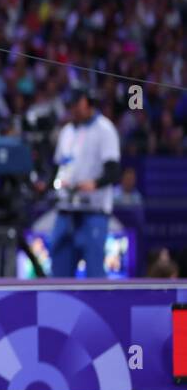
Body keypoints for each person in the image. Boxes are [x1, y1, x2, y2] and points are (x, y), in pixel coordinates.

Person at [49, 88, 120, 278]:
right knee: (59, 271)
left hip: (93, 211)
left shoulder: (105, 129)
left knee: (94, 272)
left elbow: (114, 171)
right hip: (66, 209)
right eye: (71, 105)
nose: (73, 109)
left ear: (89, 102)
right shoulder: (66, 131)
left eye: (77, 103)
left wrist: (94, 184)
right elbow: (59, 166)